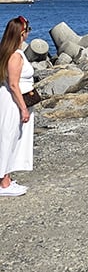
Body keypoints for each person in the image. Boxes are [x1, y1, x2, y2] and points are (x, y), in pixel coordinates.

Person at [0, 16, 35, 196]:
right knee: (8, 138)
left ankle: (6, 178)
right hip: (13, 103)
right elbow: (13, 84)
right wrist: (23, 108)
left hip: (12, 100)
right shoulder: (14, 55)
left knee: (11, 138)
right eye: (27, 30)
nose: (28, 34)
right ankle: (3, 183)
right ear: (22, 33)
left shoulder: (10, 52)